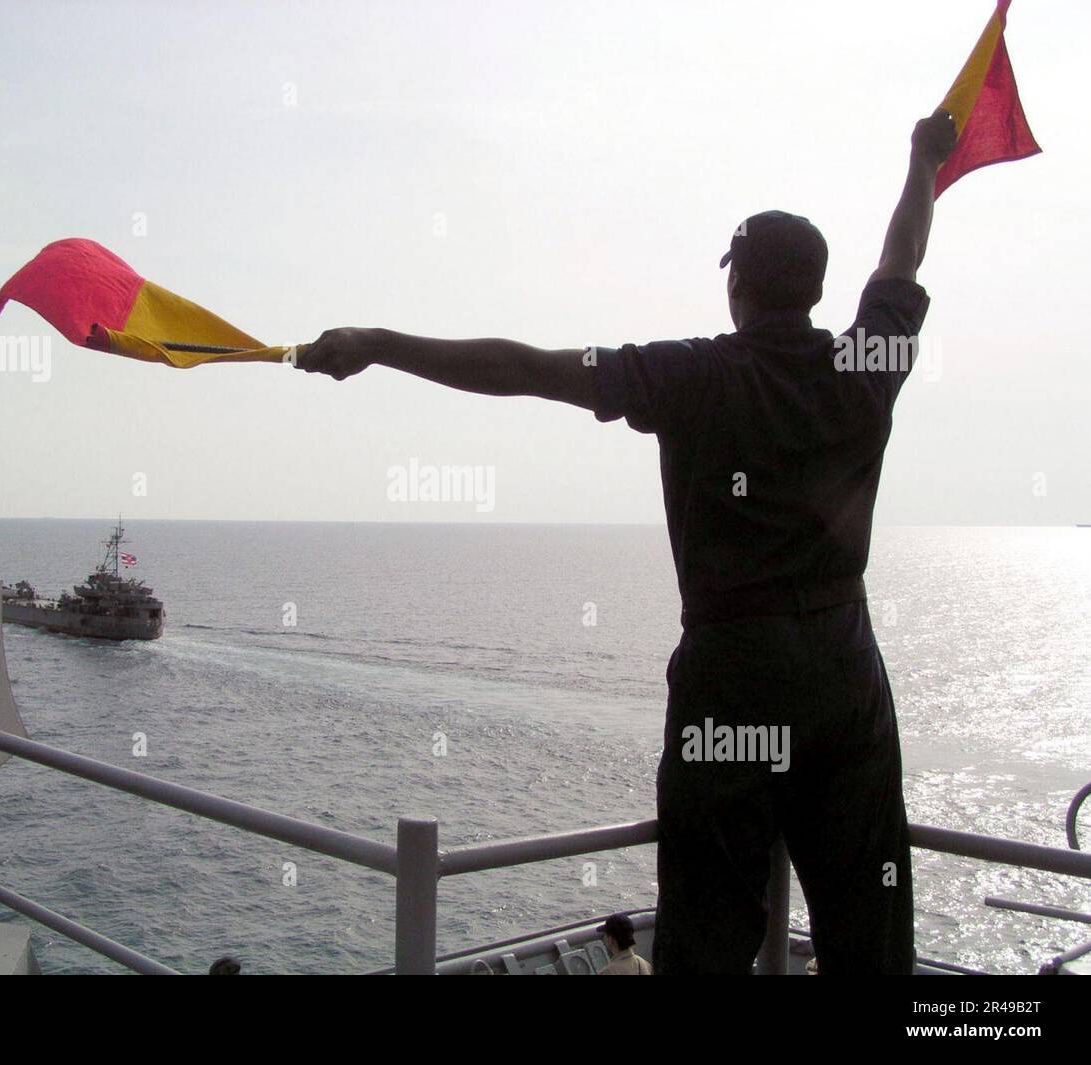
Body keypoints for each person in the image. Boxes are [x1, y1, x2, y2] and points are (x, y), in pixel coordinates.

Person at [299, 111, 958, 975]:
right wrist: (922, 162)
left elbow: (528, 368)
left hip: (735, 673)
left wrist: (378, 345)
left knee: (708, 933)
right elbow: (902, 258)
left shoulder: (692, 375)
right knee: (867, 936)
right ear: (817, 289)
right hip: (845, 673)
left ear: (738, 286)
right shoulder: (866, 361)